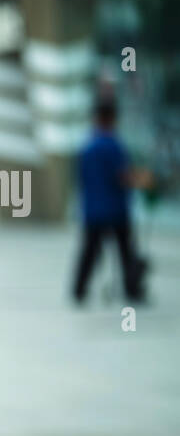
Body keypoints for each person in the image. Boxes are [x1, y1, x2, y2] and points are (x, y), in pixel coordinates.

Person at [71, 95, 148, 305]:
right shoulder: (114, 146)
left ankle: (78, 290)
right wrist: (143, 180)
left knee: (89, 252)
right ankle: (132, 290)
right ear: (112, 119)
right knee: (125, 252)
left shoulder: (86, 147)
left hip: (93, 210)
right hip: (115, 210)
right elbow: (123, 176)